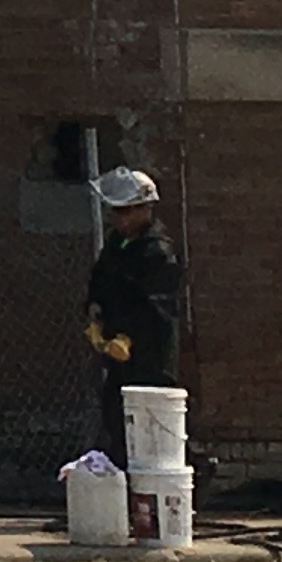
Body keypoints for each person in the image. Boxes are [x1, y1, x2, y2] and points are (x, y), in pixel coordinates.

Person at [83, 166, 182, 441]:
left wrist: (128, 337)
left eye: (125, 211)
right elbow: (101, 279)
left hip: (149, 360)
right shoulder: (117, 244)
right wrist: (94, 309)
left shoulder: (157, 251)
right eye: (115, 211)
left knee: (148, 430)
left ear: (144, 209)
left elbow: (157, 308)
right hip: (118, 359)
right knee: (115, 418)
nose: (119, 218)